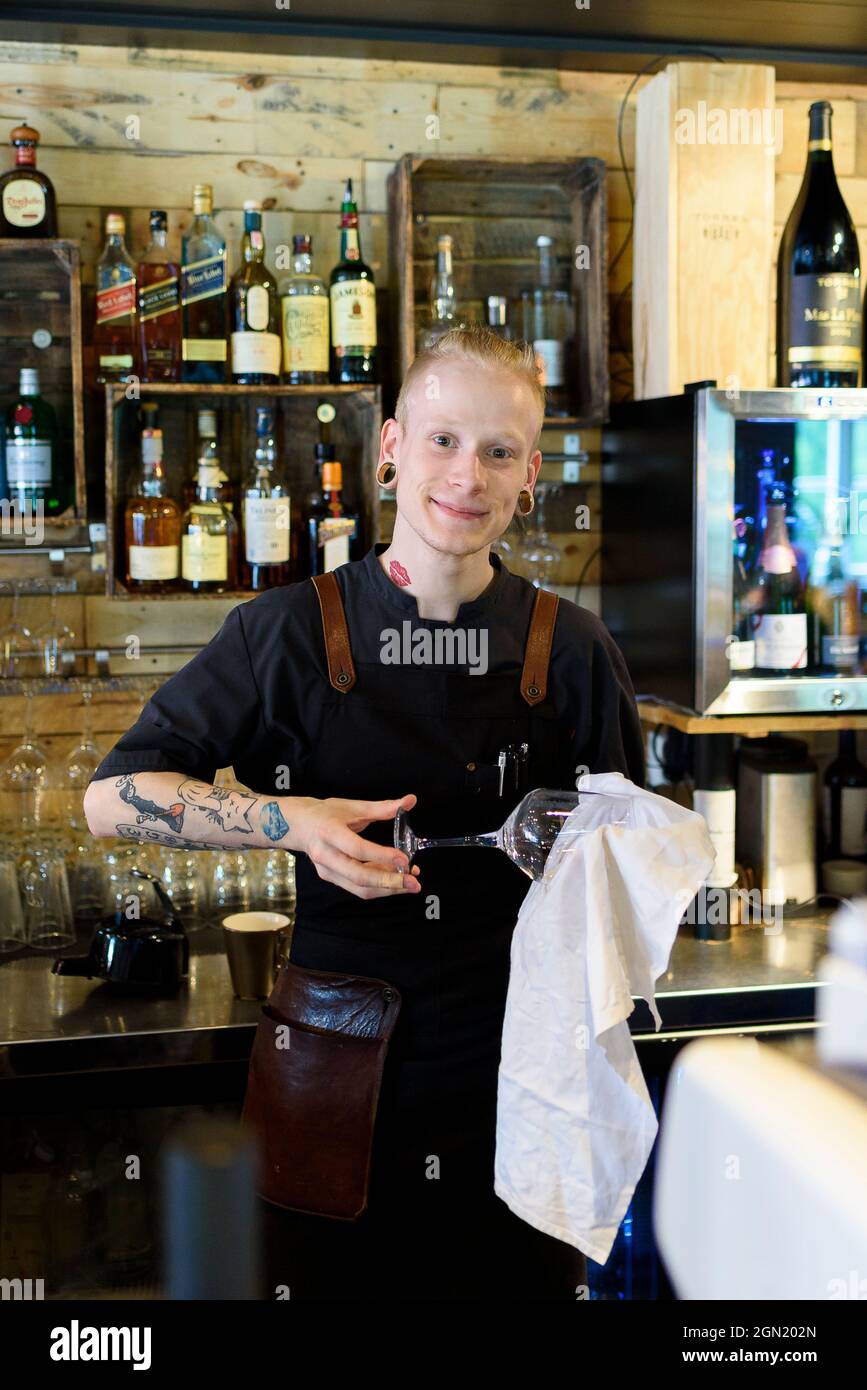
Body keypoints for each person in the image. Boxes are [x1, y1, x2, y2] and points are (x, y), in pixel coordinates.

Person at [84, 324, 645, 1301]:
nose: (466, 475)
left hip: (523, 1095)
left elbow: (630, 870)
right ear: (389, 445)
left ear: (531, 471)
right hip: (334, 1091)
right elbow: (112, 800)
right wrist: (287, 820)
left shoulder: (576, 648)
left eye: (498, 450)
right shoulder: (284, 633)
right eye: (441, 440)